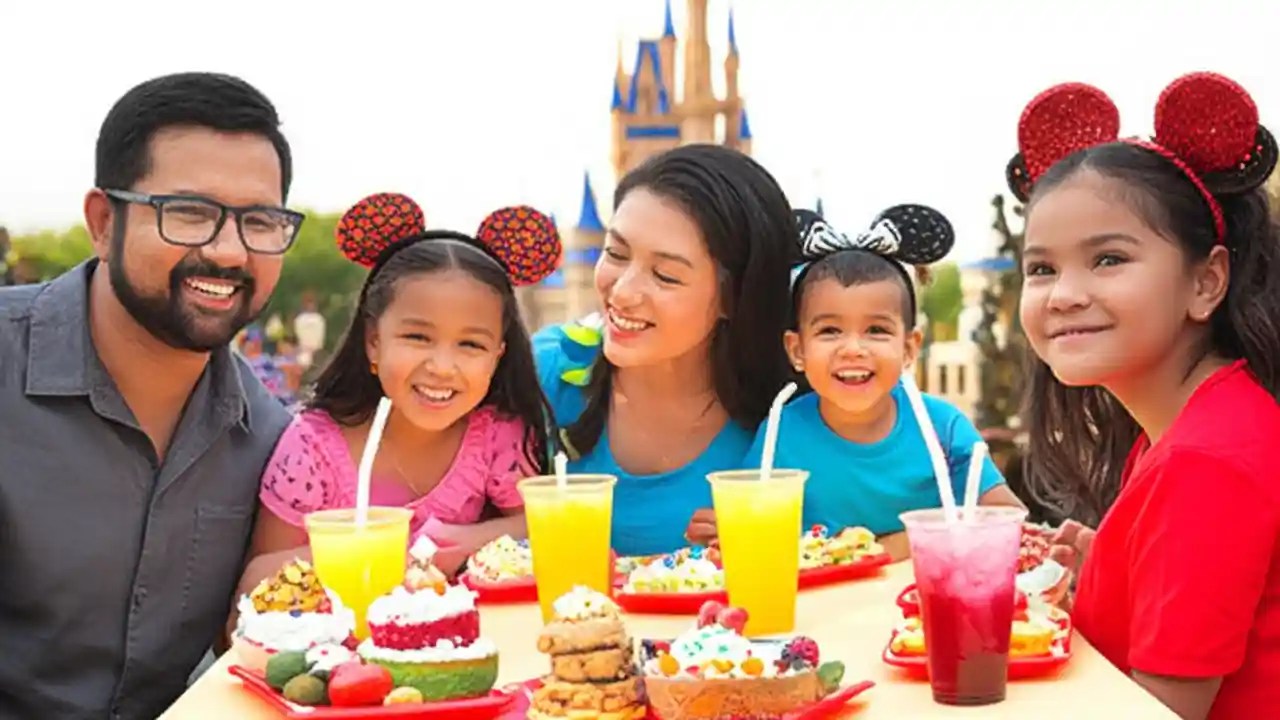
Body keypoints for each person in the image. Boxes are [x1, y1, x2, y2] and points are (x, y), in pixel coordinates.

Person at [0, 72, 300, 719]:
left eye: (261, 221)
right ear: (104, 223)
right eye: (188, 213)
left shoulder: (272, 438)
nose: (228, 251)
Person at [1012, 72, 1280, 719]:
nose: (1064, 293)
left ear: (1206, 280)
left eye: (1108, 259)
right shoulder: (1197, 422)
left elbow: (1161, 711)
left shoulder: (1205, 463)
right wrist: (1111, 569)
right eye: (1042, 268)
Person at [237, 193, 557, 599]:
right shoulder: (312, 448)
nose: (442, 366)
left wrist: (465, 539)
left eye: (470, 345)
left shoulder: (496, 437)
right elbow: (254, 581)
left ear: (498, 355)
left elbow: (542, 530)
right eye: (417, 337)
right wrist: (370, 554)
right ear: (373, 342)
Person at [534, 144, 798, 556]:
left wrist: (776, 546)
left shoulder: (795, 413)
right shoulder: (545, 375)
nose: (621, 292)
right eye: (616, 254)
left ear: (735, 297)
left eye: (665, 276)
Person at [736, 208, 1023, 559]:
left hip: (922, 607)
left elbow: (1010, 521)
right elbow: (754, 536)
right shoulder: (780, 434)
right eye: (829, 331)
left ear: (908, 348)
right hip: (818, 610)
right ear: (797, 350)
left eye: (876, 330)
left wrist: (884, 549)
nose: (853, 349)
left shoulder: (942, 430)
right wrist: (727, 530)